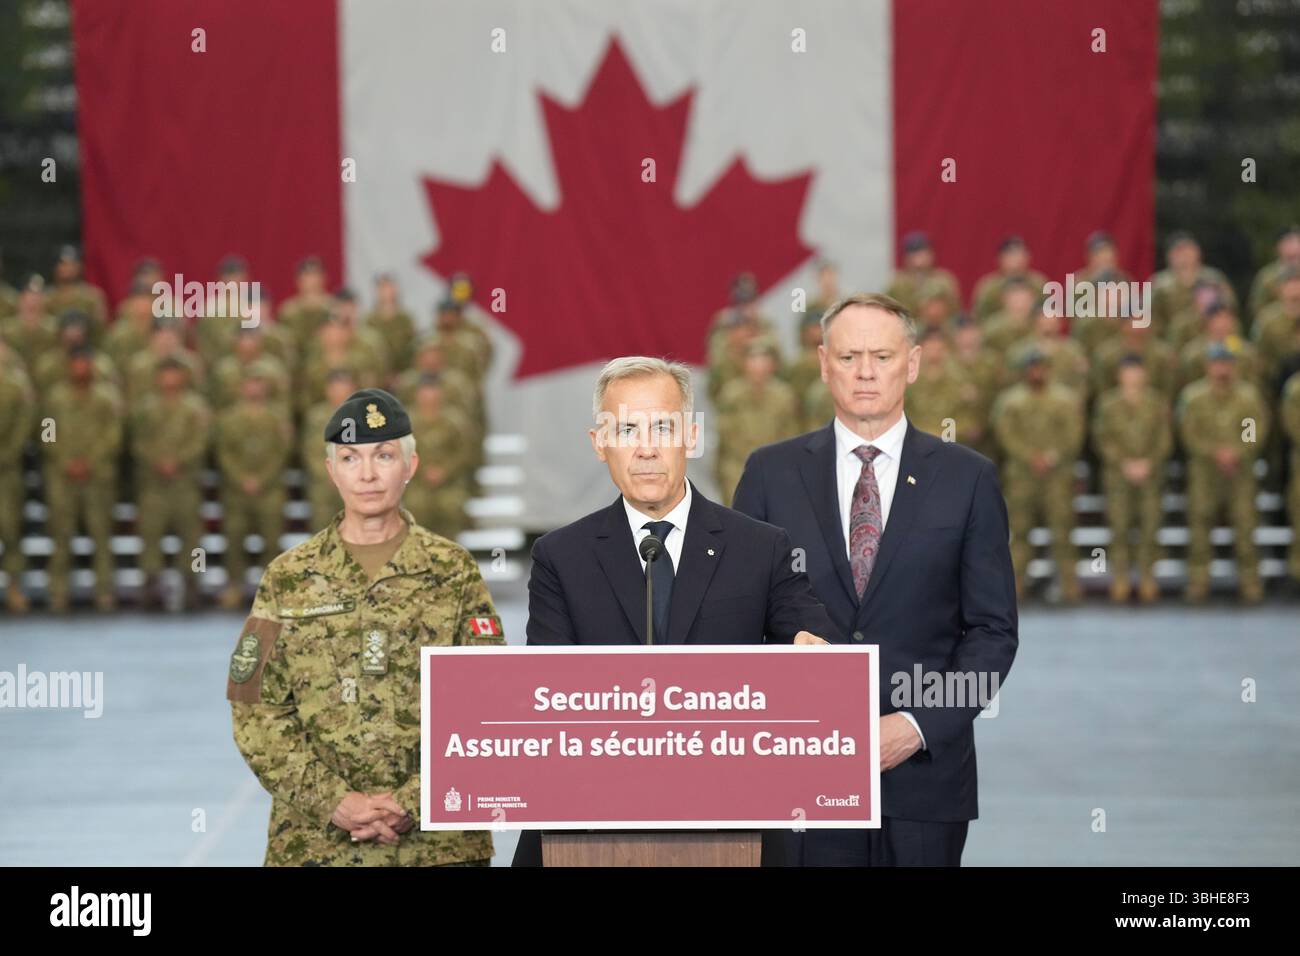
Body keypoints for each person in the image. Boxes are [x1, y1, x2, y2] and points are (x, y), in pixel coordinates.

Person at [513, 356, 836, 866]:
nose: (646, 448)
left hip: (729, 817)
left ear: (692, 435)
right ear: (600, 443)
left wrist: (811, 652)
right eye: (627, 430)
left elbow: (814, 640)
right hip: (594, 818)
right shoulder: (561, 556)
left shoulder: (761, 546)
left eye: (663, 427)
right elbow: (547, 691)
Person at [732, 293, 1018, 866]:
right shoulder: (770, 473)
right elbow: (741, 618)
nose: (865, 371)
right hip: (800, 775)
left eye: (882, 356)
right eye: (849, 356)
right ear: (822, 363)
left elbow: (991, 632)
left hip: (924, 782)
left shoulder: (968, 479)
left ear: (911, 364)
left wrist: (916, 725)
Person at [227, 387, 504, 865]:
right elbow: (255, 711)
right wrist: (334, 801)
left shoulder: (452, 571)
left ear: (411, 466)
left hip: (439, 847)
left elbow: (490, 699)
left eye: (385, 455)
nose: (369, 474)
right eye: (351, 458)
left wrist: (414, 801)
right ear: (331, 470)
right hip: (315, 846)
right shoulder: (288, 577)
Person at [1176, 343, 1269, 604]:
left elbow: (1253, 429)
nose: (1221, 369)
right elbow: (1189, 432)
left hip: (1240, 471)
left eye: (1226, 363)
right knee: (1200, 525)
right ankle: (1198, 582)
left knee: (1245, 524)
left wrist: (1237, 451)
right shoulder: (1193, 397)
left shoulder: (1247, 397)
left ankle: (1250, 582)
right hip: (1205, 470)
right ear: (1208, 366)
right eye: (1217, 363)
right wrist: (1214, 452)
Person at [992, 348, 1085, 602]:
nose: (1037, 372)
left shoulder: (1065, 400)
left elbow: (1074, 433)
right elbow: (1006, 434)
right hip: (1022, 475)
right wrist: (1030, 456)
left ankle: (1069, 585)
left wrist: (1053, 455)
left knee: (1062, 531)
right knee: (1020, 533)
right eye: (1032, 368)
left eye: (1041, 367)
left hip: (1058, 476)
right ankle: (1014, 585)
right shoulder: (1010, 401)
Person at [42, 346, 123, 612]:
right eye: (75, 363)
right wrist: (66, 460)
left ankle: (103, 591)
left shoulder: (107, 397)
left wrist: (90, 461)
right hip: (62, 475)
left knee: (100, 534)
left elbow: (114, 434)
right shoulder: (55, 397)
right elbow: (46, 432)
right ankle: (58, 591)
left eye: (84, 363)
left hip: (97, 475)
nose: (80, 368)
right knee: (61, 535)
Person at [132, 358, 211, 609]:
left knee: (191, 537)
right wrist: (157, 460)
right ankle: (151, 585)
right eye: (165, 375)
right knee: (150, 534)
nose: (170, 380)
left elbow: (200, 441)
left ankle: (192, 584)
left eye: (174, 375)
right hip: (153, 483)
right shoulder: (145, 408)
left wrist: (178, 461)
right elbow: (137, 441)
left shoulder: (196, 407)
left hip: (185, 482)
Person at [1091, 356, 1171, 603]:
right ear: (1119, 375)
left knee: (1149, 526)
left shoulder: (1156, 403)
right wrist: (1124, 462)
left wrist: (1148, 462)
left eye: (1137, 372)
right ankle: (1121, 578)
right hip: (1118, 475)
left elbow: (1164, 437)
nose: (1133, 377)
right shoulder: (1107, 404)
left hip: (1150, 474)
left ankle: (1147, 577)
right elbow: (1101, 438)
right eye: (1128, 372)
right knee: (1119, 527)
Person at [215, 369, 291, 608]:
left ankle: (271, 589)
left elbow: (282, 451)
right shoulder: (228, 419)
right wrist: (241, 479)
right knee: (234, 537)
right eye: (249, 384)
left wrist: (262, 479)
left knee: (271, 538)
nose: (254, 389)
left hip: (270, 487)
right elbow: (223, 452)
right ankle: (234, 586)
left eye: (259, 384)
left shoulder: (277, 417)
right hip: (236, 488)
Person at [0, 351, 35, 612]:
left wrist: (8, 454)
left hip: (7, 468)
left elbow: (26, 423)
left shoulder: (17, 385)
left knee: (11, 530)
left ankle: (15, 588)